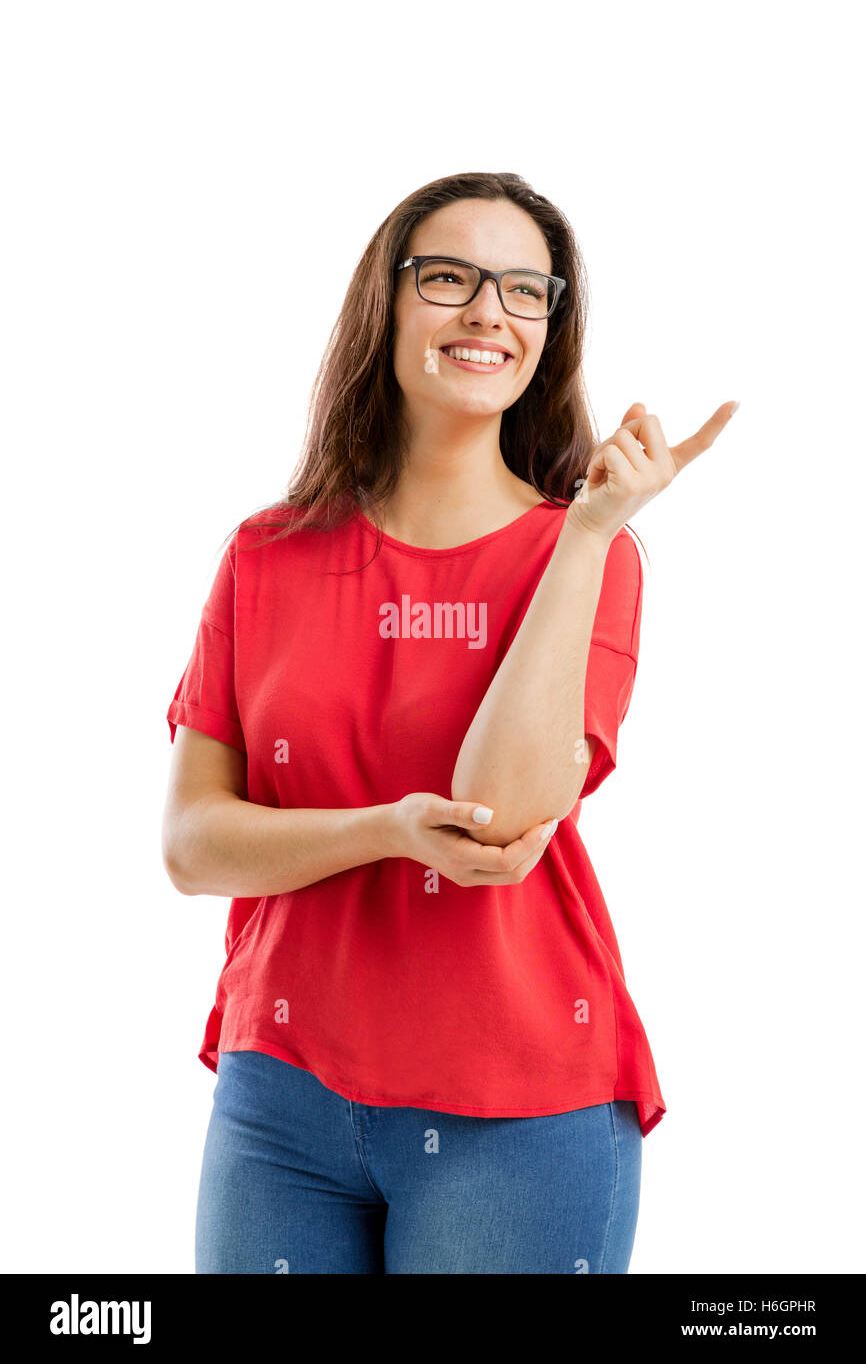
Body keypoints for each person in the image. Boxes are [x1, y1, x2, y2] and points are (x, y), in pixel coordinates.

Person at [162, 170, 737, 1274]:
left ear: (548, 330)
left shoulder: (586, 556)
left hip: (517, 1105)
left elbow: (501, 818)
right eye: (450, 277)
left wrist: (582, 535)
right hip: (280, 1093)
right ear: (385, 304)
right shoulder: (265, 554)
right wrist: (383, 828)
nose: (488, 311)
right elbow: (190, 847)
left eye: (526, 291)